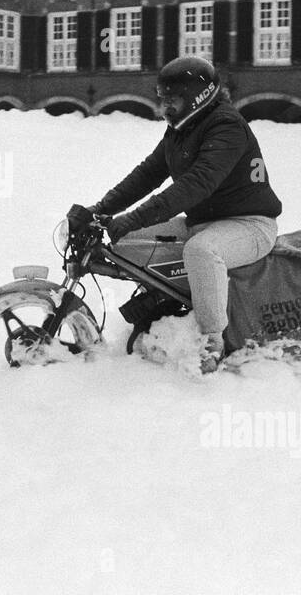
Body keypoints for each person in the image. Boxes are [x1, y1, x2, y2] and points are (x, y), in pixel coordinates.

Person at [90, 57, 283, 372]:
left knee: (201, 250)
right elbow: (147, 174)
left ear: (197, 97)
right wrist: (101, 211)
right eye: (162, 99)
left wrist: (136, 216)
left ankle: (213, 342)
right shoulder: (181, 129)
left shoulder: (226, 125)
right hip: (203, 222)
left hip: (250, 225)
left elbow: (197, 184)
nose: (165, 107)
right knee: (126, 241)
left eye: (172, 100)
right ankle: (163, 308)